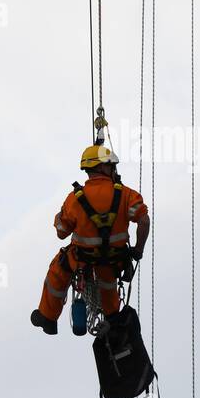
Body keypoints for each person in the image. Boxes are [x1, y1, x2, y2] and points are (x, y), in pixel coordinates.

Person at [31, 143, 151, 335]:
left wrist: (59, 218)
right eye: (112, 166)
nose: (114, 170)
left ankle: (47, 317)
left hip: (81, 260)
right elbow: (143, 221)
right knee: (108, 286)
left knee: (58, 271)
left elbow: (62, 232)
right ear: (102, 166)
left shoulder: (75, 198)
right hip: (113, 261)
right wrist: (138, 250)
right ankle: (112, 322)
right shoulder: (126, 194)